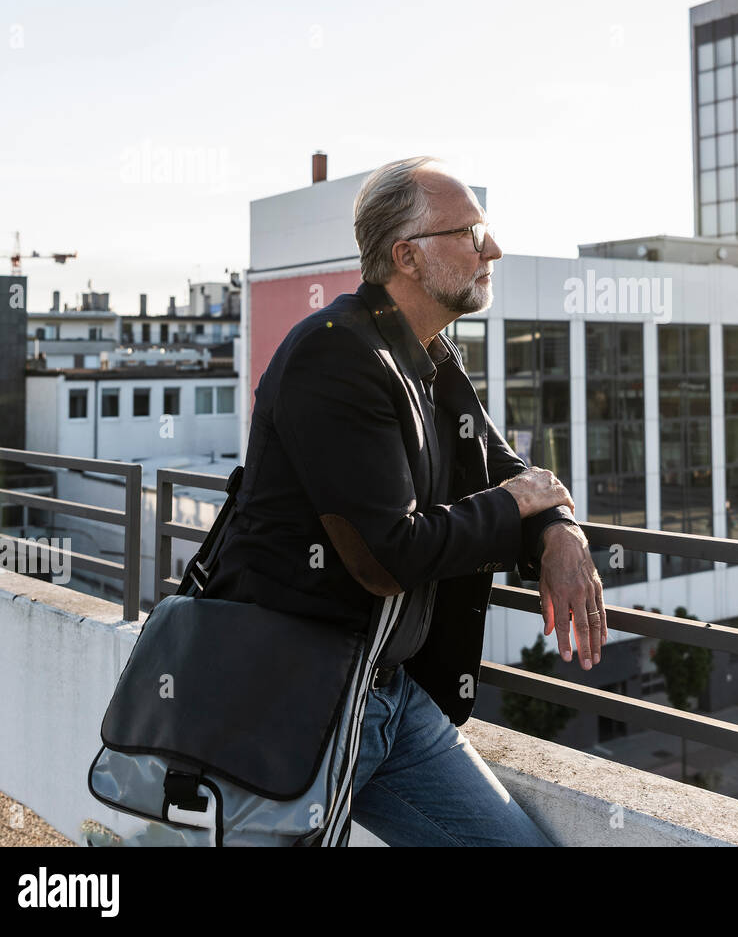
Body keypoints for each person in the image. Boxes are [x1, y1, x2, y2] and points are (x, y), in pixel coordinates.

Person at [207, 156, 607, 845]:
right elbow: (388, 556)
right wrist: (522, 504)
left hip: (388, 699)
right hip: (297, 698)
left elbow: (502, 470)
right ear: (408, 257)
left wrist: (561, 529)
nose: (494, 249)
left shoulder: (431, 355)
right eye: (472, 234)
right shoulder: (333, 355)